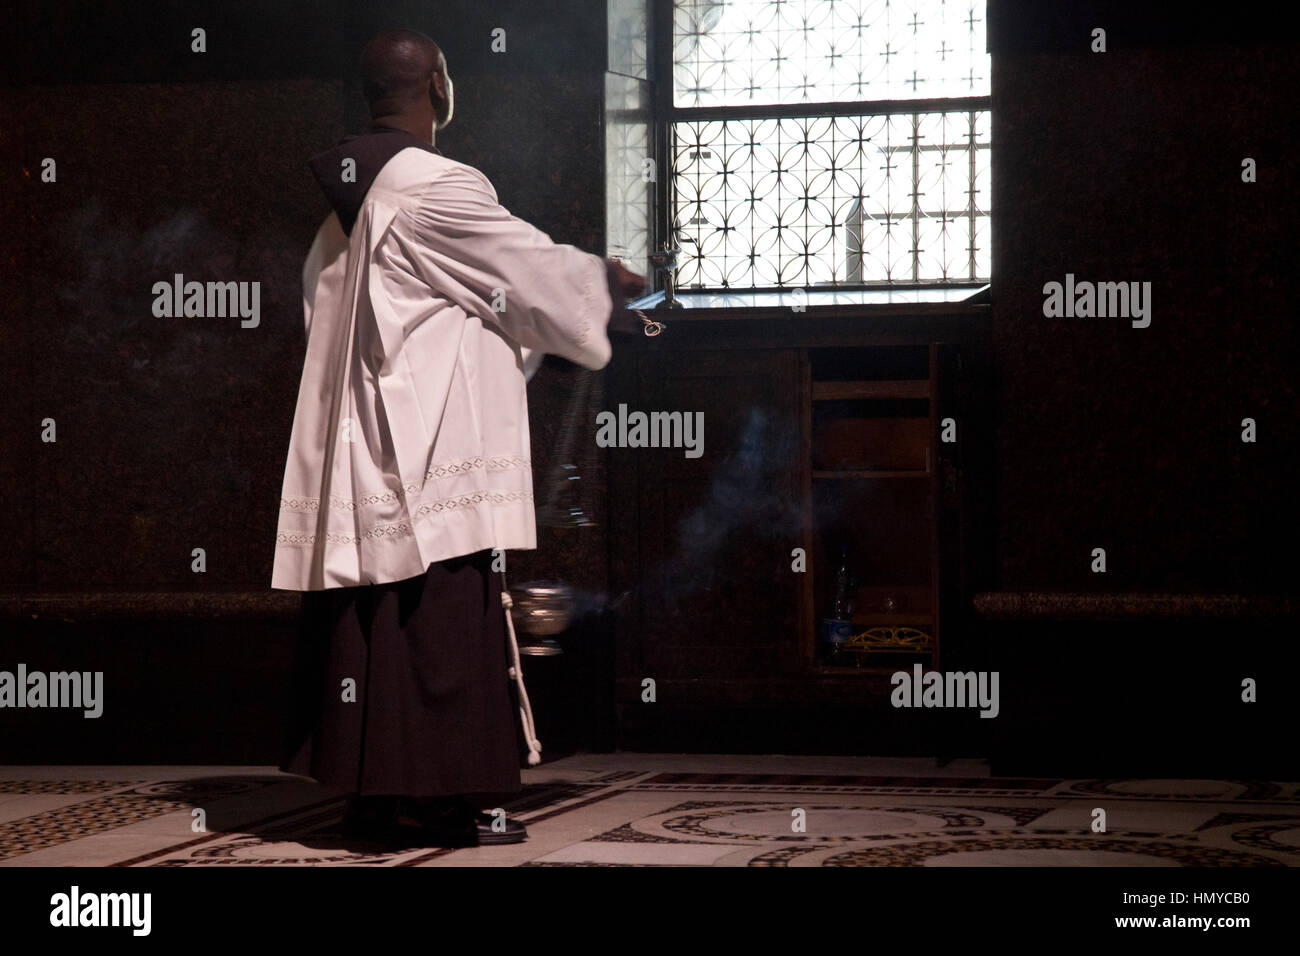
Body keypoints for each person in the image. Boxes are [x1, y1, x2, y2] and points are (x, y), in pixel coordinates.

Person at [272, 28, 645, 848]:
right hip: (430, 455)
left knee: (371, 624)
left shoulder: (341, 215)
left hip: (365, 454)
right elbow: (524, 273)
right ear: (439, 85)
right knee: (435, 626)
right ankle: (433, 801)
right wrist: (606, 287)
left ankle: (371, 798)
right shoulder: (437, 187)